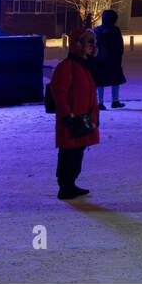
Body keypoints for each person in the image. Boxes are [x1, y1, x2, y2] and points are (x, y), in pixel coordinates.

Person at [51, 30, 100, 200]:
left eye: (94, 42)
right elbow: (59, 92)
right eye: (89, 42)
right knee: (68, 153)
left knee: (77, 152)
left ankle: (70, 184)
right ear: (78, 44)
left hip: (83, 119)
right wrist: (67, 115)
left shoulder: (84, 66)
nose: (93, 45)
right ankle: (65, 186)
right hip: (72, 120)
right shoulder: (68, 66)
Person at [92, 9, 126, 108]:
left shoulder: (97, 30)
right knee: (115, 80)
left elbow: (94, 44)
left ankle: (100, 102)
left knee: (100, 82)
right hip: (113, 59)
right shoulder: (115, 30)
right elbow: (119, 45)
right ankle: (115, 101)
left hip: (100, 59)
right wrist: (119, 55)